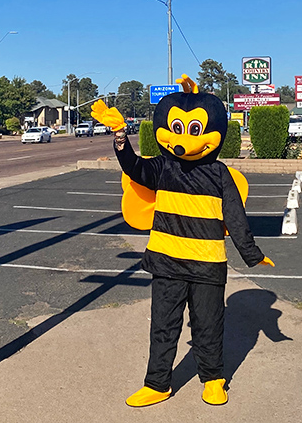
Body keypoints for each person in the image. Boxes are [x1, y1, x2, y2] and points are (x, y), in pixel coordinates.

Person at [91, 75, 273, 407]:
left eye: (194, 130)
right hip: (167, 261)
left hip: (207, 265)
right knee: (163, 326)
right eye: (177, 129)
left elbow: (235, 215)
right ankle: (157, 383)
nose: (183, 141)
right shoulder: (164, 167)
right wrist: (120, 137)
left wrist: (252, 253)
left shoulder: (220, 174)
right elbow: (134, 168)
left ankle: (213, 379)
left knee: (208, 326)